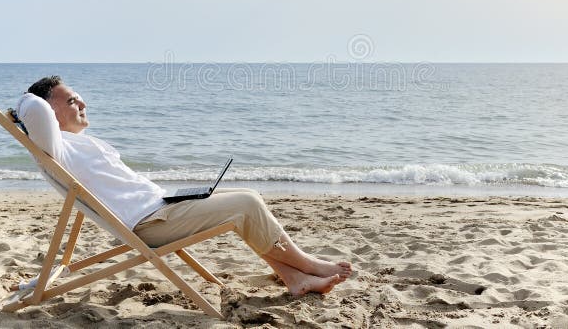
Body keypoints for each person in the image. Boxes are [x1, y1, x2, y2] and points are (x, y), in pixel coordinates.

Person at [18, 75, 352, 296]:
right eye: (72, 100)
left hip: (161, 210)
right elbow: (32, 108)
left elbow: (41, 112)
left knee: (243, 207)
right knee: (247, 203)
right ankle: (307, 265)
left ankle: (295, 278)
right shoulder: (58, 147)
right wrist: (25, 103)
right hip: (150, 224)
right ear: (50, 110)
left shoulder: (76, 144)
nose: (83, 104)